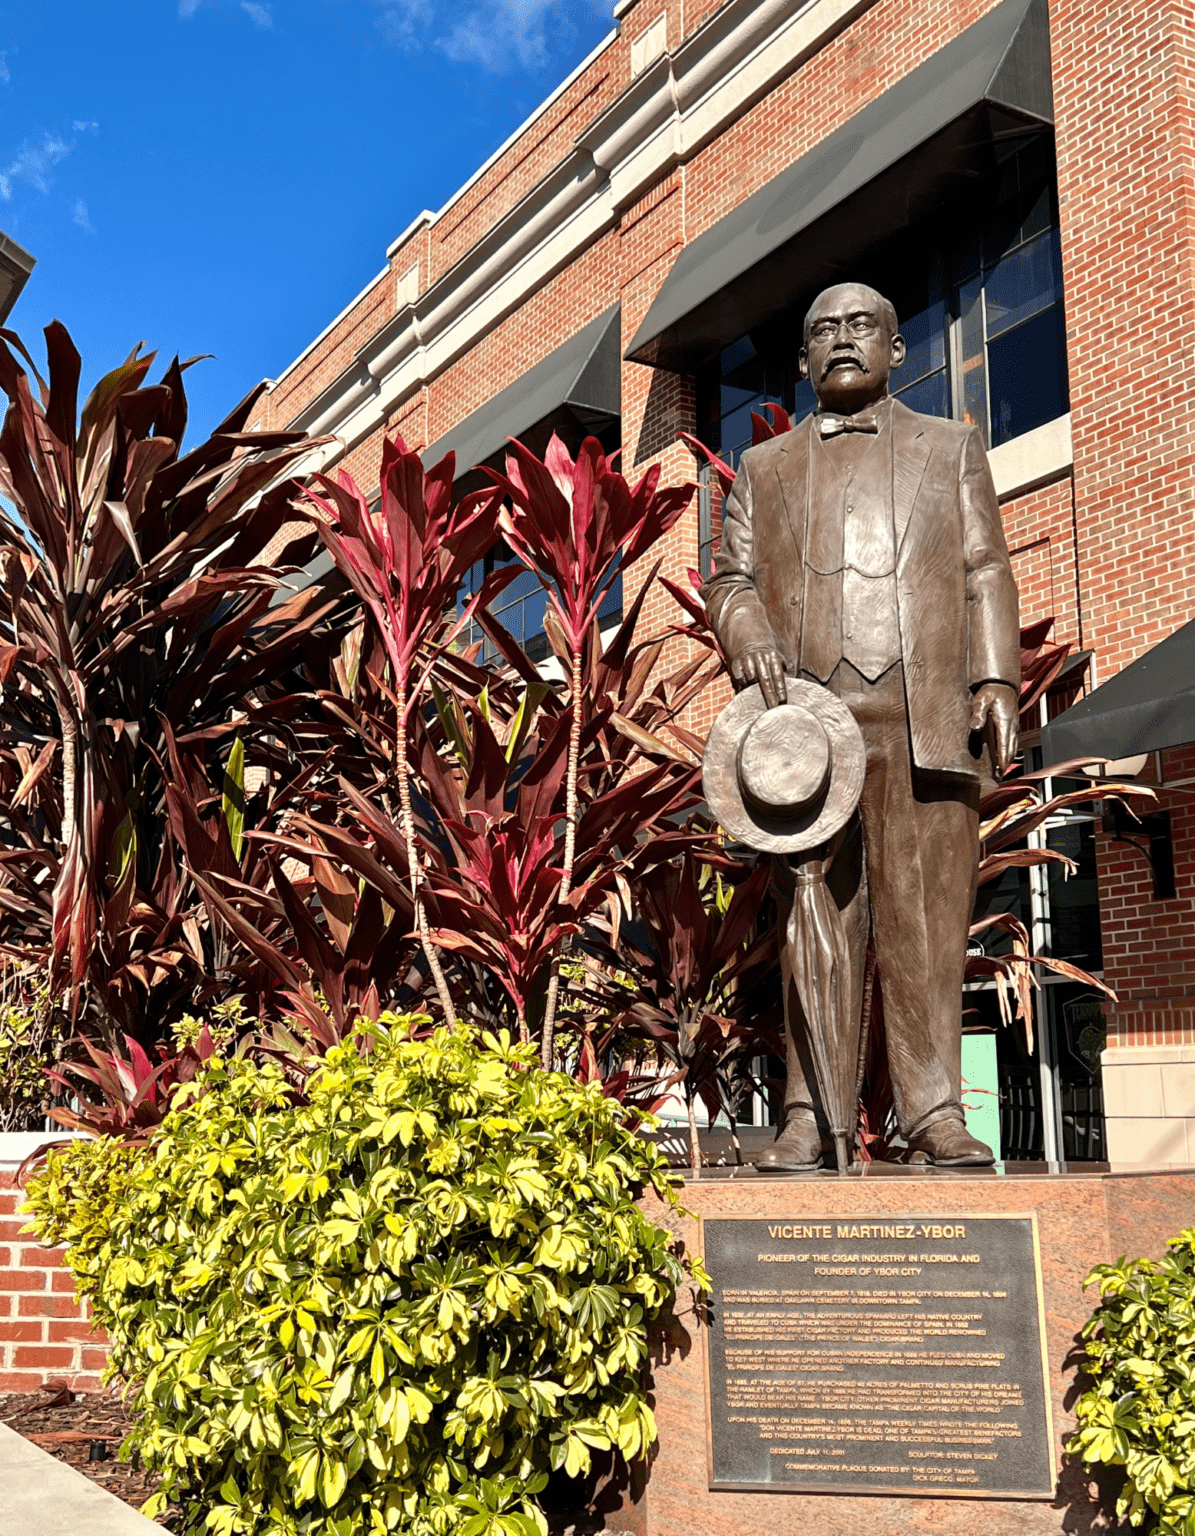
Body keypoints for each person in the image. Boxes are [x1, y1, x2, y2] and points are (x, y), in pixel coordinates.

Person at [701, 282, 1020, 1168]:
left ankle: (931, 1113)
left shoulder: (950, 447)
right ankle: (807, 1113)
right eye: (821, 332)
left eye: (860, 327)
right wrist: (751, 633)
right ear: (802, 361)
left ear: (895, 348)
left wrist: (994, 677)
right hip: (809, 741)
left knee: (924, 932)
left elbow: (984, 567)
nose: (841, 342)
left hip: (924, 726)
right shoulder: (761, 471)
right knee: (815, 931)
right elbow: (727, 582)